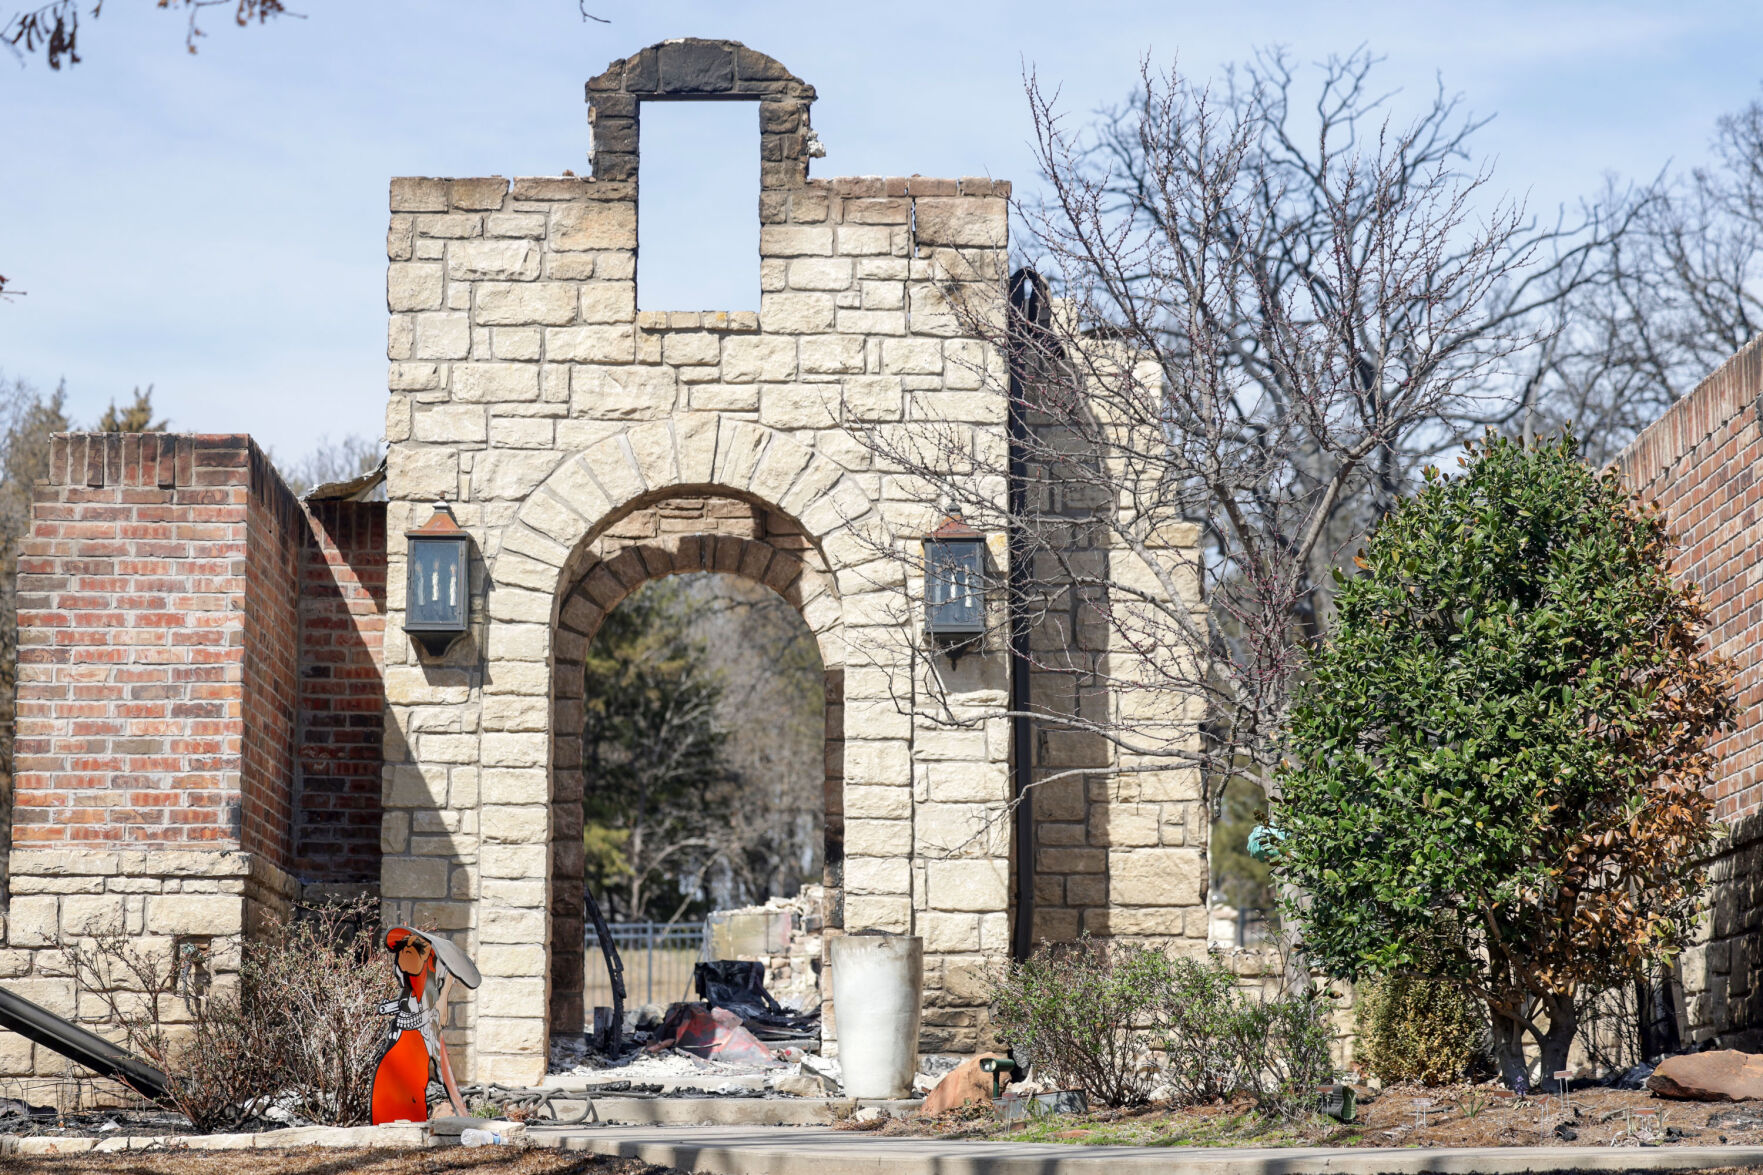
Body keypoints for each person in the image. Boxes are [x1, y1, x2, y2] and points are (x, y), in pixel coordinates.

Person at [369, 926, 481, 1124]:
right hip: (398, 1046)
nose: (402, 955)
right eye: (402, 950)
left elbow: (444, 1069)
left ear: (426, 957)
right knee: (385, 1085)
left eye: (409, 951)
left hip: (416, 1047)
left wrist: (444, 998)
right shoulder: (409, 988)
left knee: (409, 1095)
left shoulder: (431, 998)